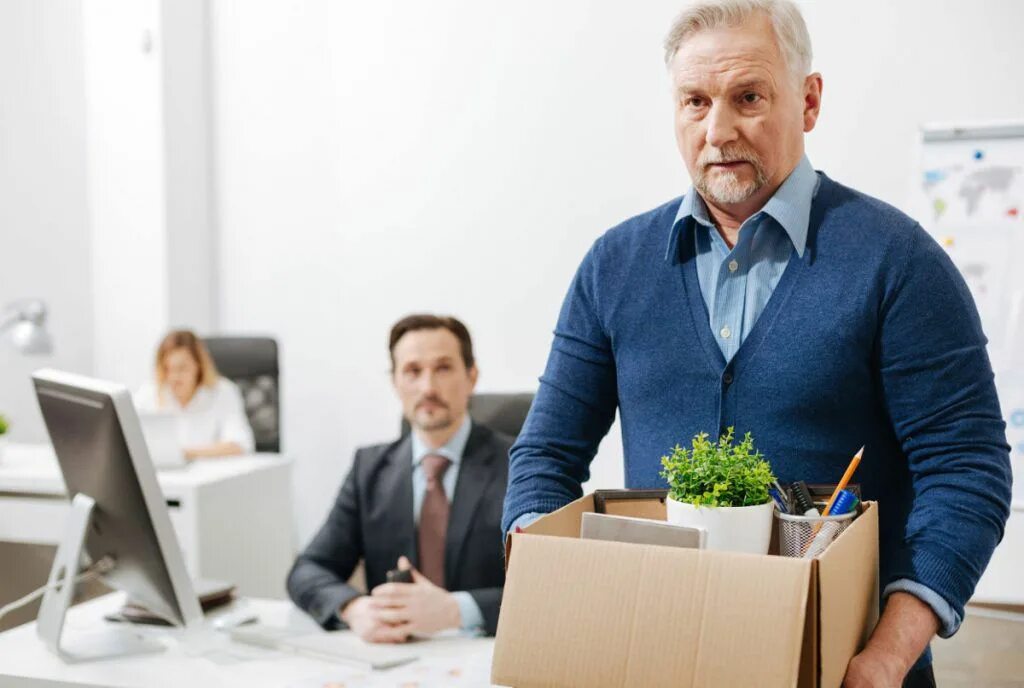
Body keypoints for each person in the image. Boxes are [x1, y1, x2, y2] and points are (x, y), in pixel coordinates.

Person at [501, 2, 1012, 686]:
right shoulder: (613, 265)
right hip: (659, 661)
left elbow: (967, 470)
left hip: (845, 671)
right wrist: (543, 568)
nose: (718, 131)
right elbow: (545, 453)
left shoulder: (898, 262)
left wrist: (886, 657)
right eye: (695, 101)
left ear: (808, 101)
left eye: (748, 97)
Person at [287, 315, 511, 642]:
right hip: (399, 659)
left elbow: (556, 589)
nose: (428, 387)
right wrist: (352, 607)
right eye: (412, 371)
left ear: (471, 376)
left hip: (491, 655)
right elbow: (308, 570)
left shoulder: (521, 466)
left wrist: (455, 610)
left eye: (444, 368)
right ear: (395, 382)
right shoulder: (369, 469)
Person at [134, 329, 255, 459]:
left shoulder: (223, 391)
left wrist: (185, 454)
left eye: (182, 368)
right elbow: (129, 441)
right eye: (167, 369)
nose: (174, 377)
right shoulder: (148, 393)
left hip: (209, 474)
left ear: (198, 366)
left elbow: (241, 445)